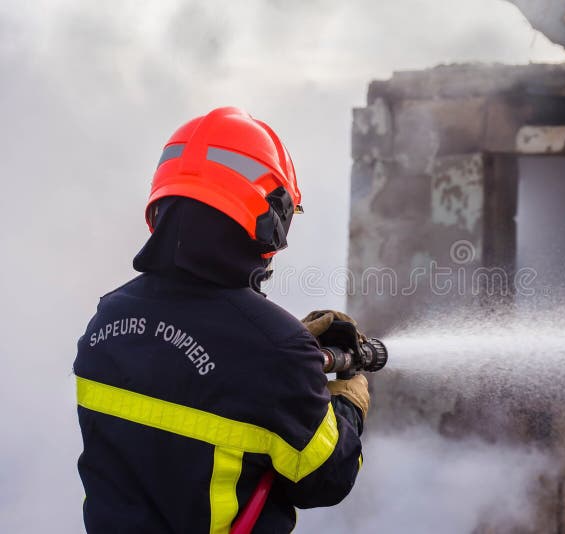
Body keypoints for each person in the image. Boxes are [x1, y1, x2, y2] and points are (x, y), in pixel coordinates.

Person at [73, 107, 370, 533]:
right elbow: (326, 479)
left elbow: (183, 383)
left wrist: (285, 359)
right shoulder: (277, 353)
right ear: (271, 218)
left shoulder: (106, 320)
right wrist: (348, 403)